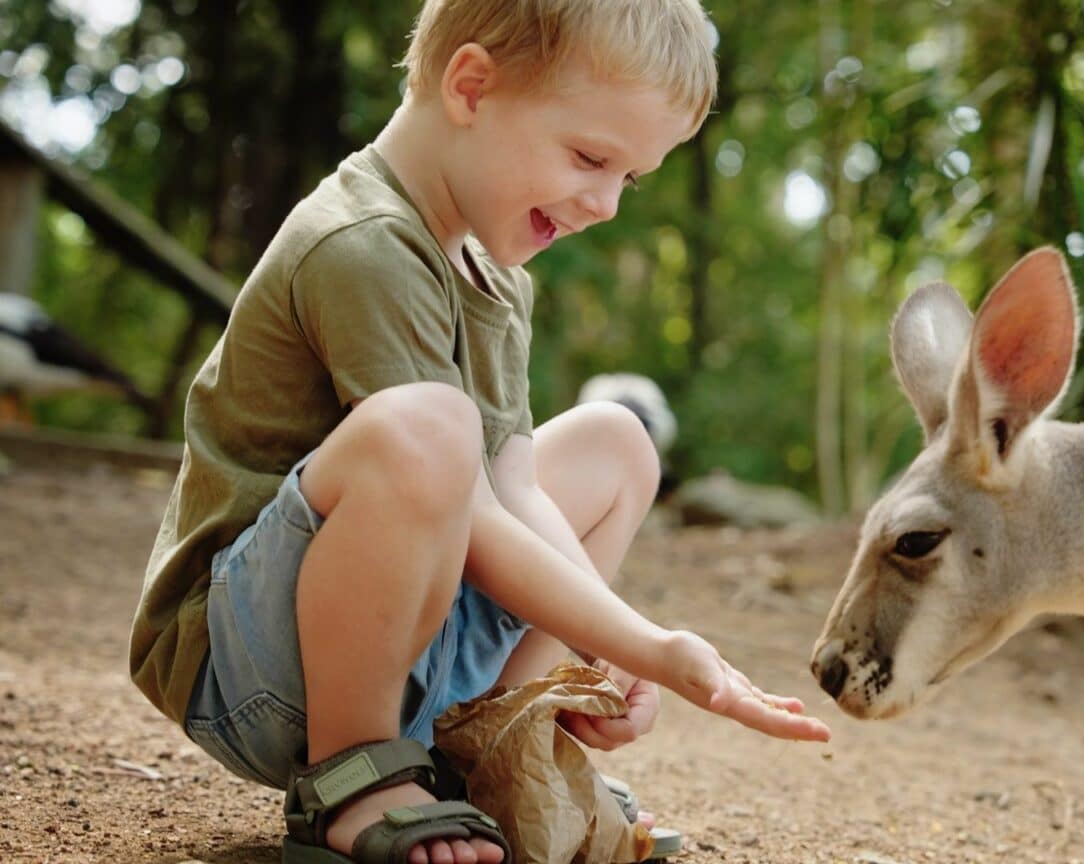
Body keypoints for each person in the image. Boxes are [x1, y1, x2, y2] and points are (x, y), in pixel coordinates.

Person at [129, 2, 830, 862]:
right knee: (430, 426)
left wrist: (601, 643)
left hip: (405, 647)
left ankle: (487, 747)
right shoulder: (362, 244)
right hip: (254, 670)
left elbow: (513, 495)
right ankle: (355, 773)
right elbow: (470, 504)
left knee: (617, 443)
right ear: (470, 87)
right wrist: (644, 640)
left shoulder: (495, 277)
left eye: (630, 178)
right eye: (589, 158)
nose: (607, 203)